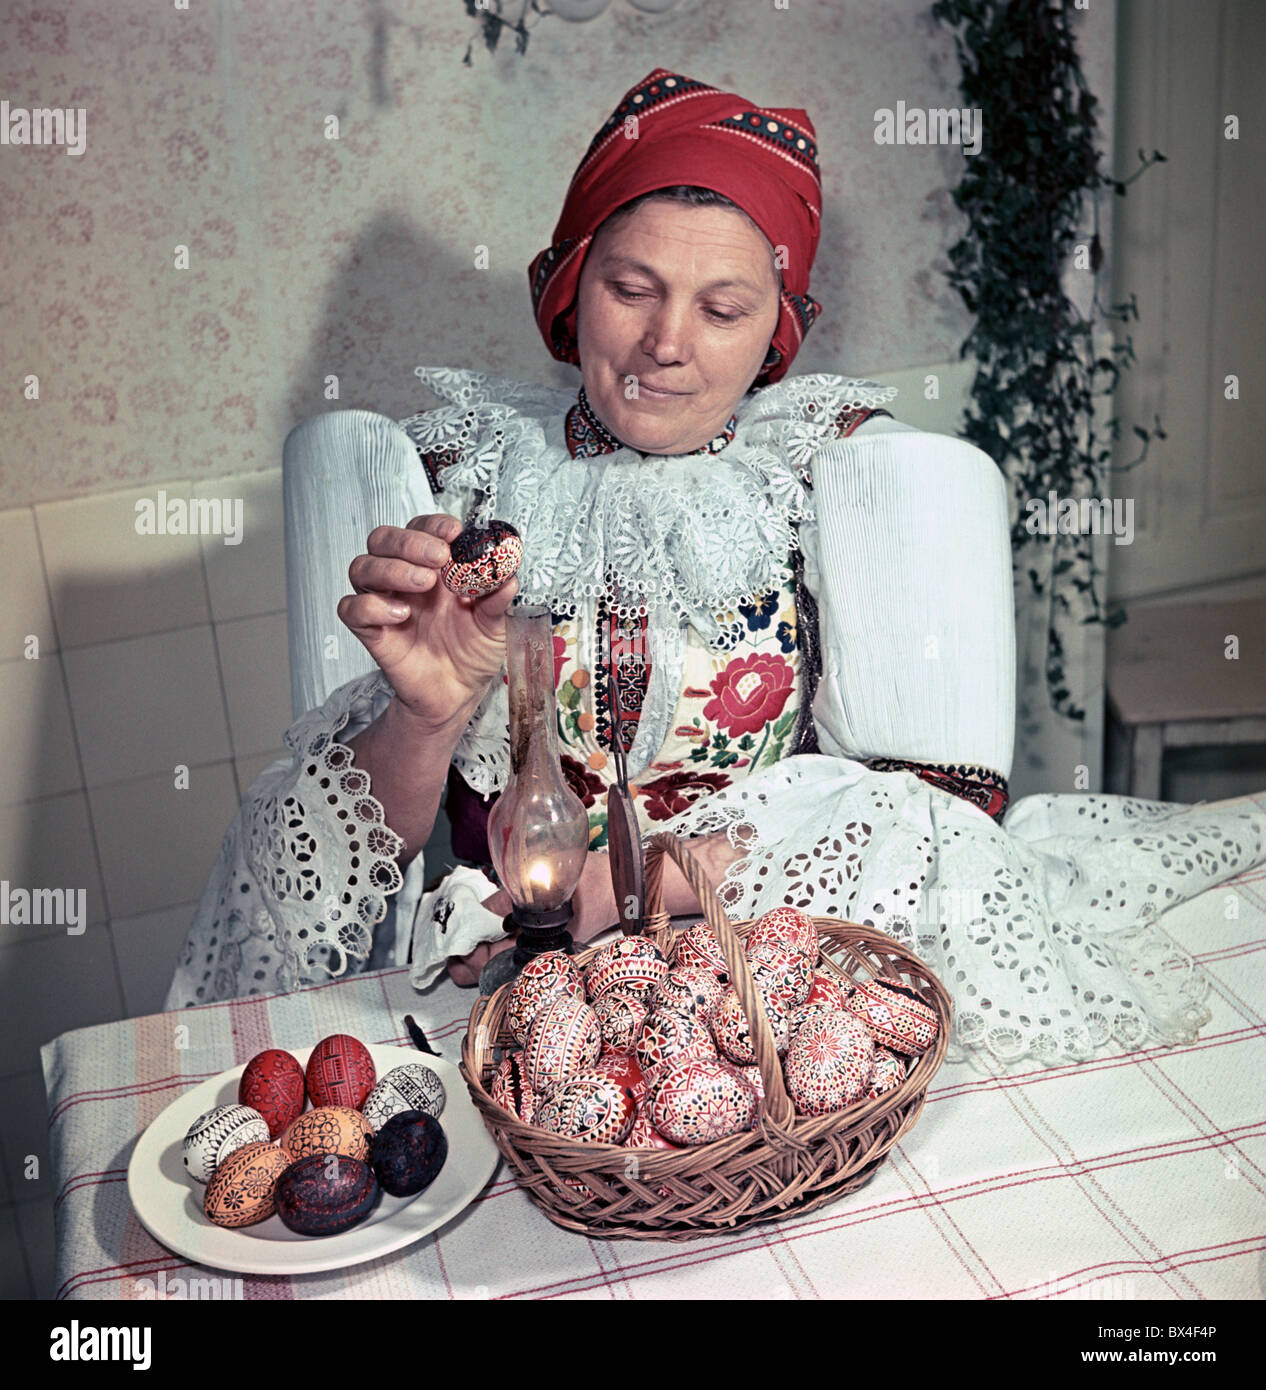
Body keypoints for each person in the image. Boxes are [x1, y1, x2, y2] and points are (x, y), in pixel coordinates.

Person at [166, 68, 1266, 1071]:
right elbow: (317, 897)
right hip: (490, 1005)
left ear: (781, 330)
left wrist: (641, 885)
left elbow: (931, 821)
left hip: (759, 988)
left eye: (723, 308)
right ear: (567, 287)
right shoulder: (452, 478)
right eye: (630, 288)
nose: (666, 344)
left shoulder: (826, 477)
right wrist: (422, 717)